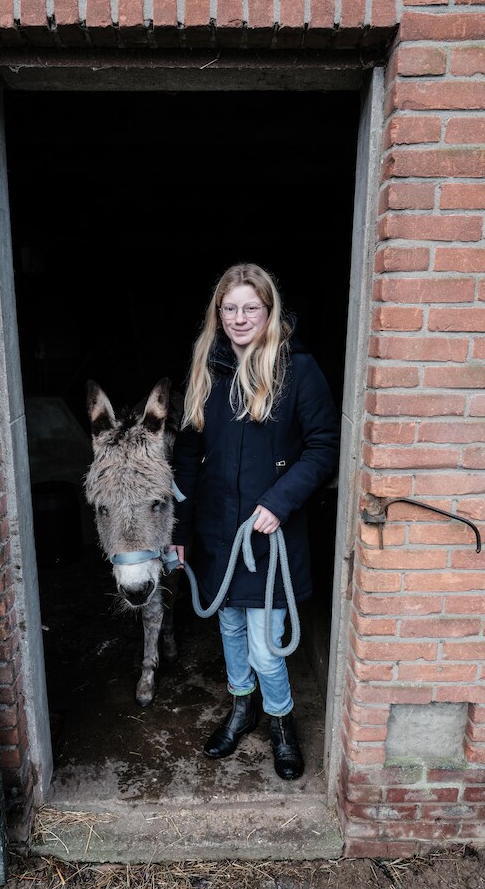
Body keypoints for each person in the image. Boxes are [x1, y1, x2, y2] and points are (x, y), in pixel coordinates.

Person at [168, 263, 339, 781]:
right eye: (230, 308)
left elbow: (323, 446)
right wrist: (178, 533)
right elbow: (188, 456)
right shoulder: (208, 368)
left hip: (270, 536)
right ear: (218, 315)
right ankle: (244, 709)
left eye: (251, 308)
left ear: (269, 312)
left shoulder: (296, 369)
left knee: (269, 647)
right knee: (231, 628)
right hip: (219, 532)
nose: (240, 318)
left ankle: (281, 722)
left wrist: (280, 501)